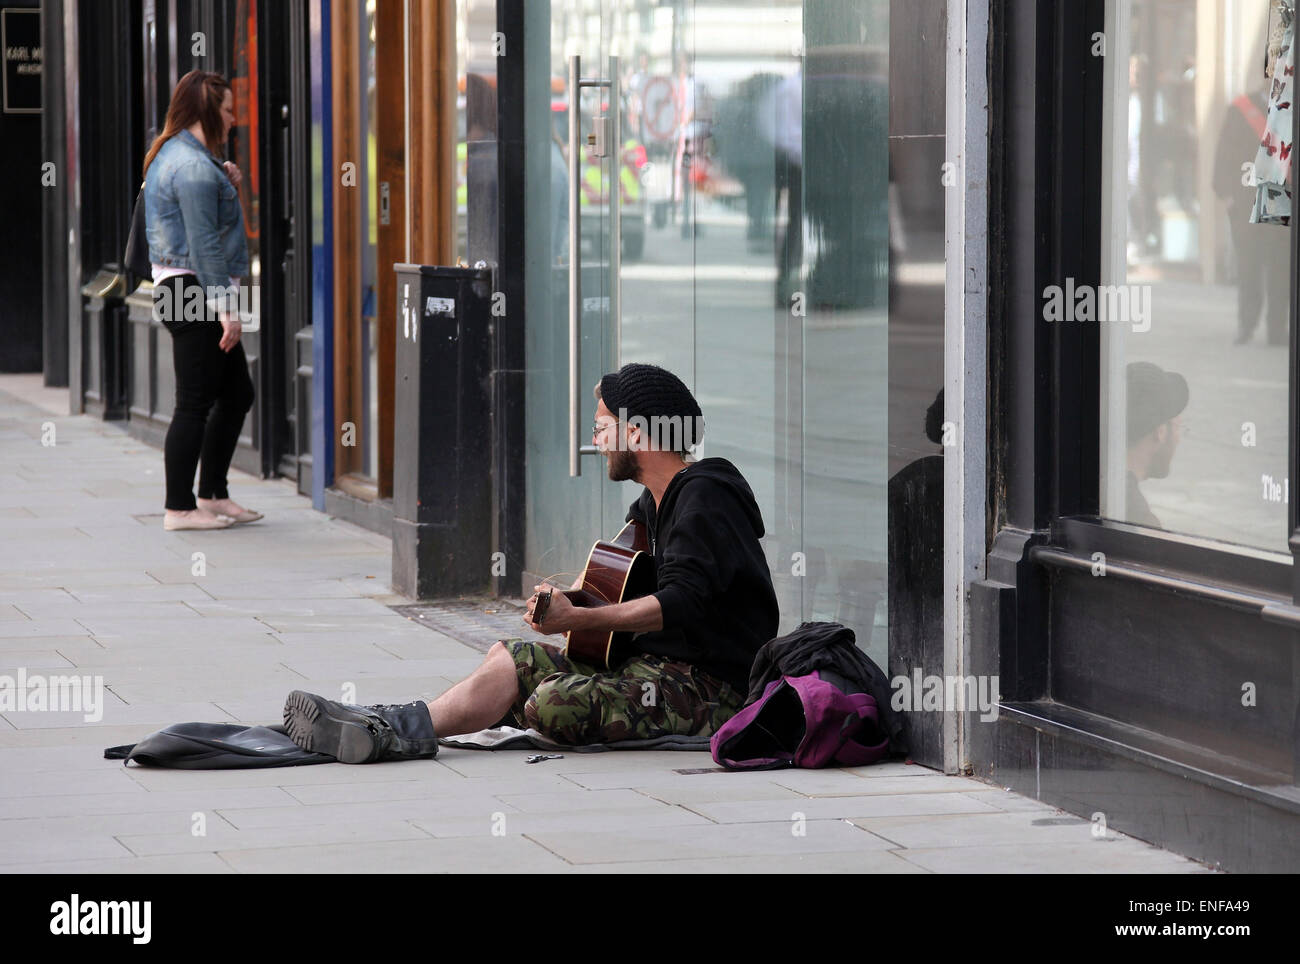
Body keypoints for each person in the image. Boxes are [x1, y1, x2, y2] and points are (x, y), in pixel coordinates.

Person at [281, 363, 780, 763]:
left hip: (710, 689)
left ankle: (396, 726)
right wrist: (567, 602)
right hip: (650, 669)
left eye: (602, 426)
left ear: (636, 432)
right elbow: (621, 580)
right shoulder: (652, 503)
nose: (595, 438)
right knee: (511, 659)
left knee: (553, 702)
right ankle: (397, 728)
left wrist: (579, 619)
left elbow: (682, 602)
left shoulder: (707, 497)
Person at [144, 69, 262, 531]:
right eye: (229, 110)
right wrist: (228, 310)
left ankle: (213, 493)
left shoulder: (191, 158)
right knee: (194, 402)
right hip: (196, 291)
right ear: (209, 111)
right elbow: (204, 244)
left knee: (236, 393)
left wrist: (224, 176)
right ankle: (179, 508)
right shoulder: (192, 166)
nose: (234, 118)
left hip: (199, 289)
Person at [1125, 361, 1188, 528]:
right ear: (1160, 432)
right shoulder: (1139, 520)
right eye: (1178, 427)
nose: (1178, 439)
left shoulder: (1098, 486)